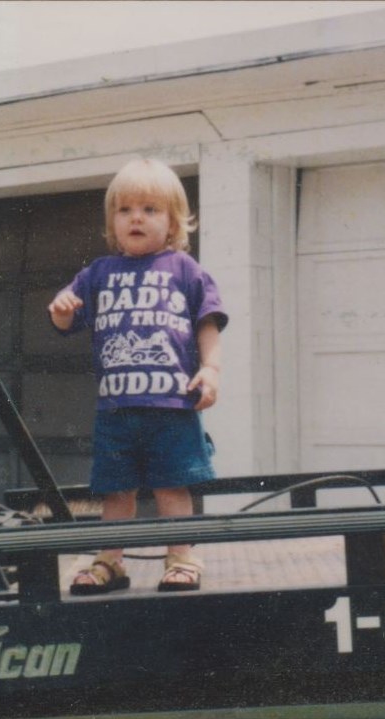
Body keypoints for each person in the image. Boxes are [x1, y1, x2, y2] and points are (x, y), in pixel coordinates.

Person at [48, 158, 226, 594]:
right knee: (116, 491)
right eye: (125, 210)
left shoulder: (185, 270)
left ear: (173, 221)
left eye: (150, 209)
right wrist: (60, 311)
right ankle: (110, 561)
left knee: (172, 485)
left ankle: (181, 557)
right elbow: (67, 319)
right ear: (113, 220)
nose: (136, 218)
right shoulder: (98, 274)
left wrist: (210, 369)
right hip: (117, 408)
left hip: (172, 405)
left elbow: (208, 321)